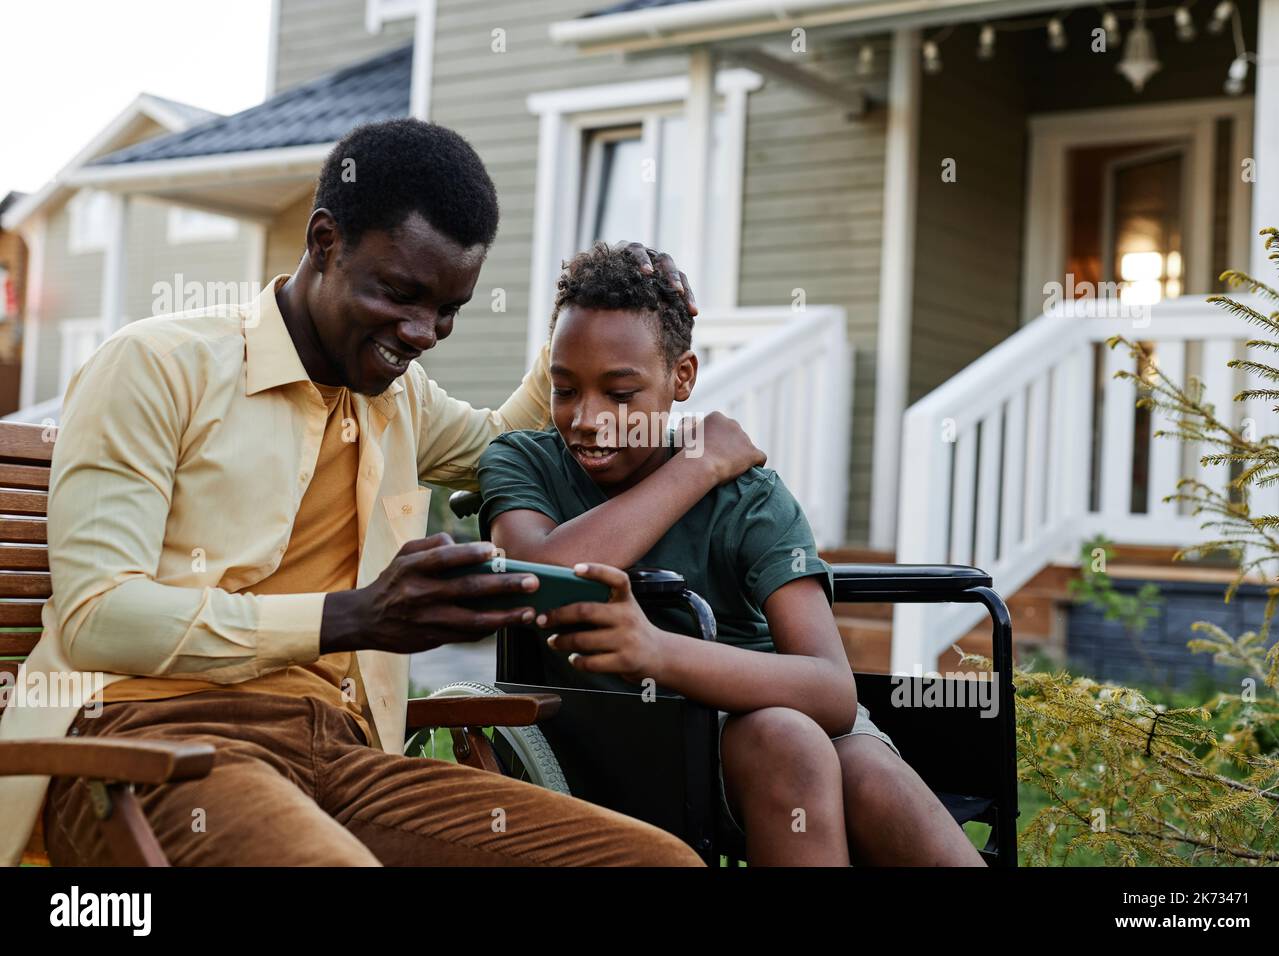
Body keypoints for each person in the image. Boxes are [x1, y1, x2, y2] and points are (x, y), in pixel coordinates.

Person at [0, 120, 764, 867]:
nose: (424, 331)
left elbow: (503, 442)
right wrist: (356, 616)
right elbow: (100, 614)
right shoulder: (158, 367)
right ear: (325, 242)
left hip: (341, 754)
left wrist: (591, 312)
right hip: (146, 742)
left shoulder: (398, 399)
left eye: (449, 310)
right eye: (401, 293)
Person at [477, 242, 986, 866]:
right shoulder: (522, 462)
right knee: (789, 740)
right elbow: (542, 573)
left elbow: (831, 690)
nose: (586, 418)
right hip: (621, 740)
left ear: (682, 378)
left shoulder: (749, 500)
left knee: (856, 765)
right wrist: (698, 464)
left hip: (766, 706)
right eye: (563, 389)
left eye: (620, 393)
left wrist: (658, 649)